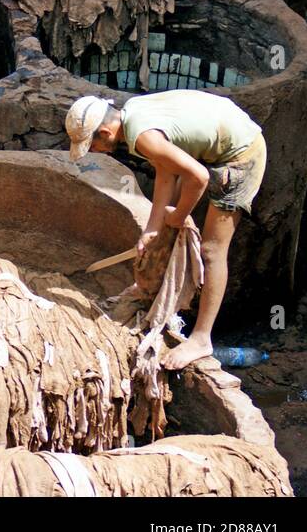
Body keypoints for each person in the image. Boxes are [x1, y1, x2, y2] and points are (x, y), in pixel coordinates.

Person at [66, 89, 266, 370]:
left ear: (105, 132)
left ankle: (201, 338)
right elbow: (166, 172)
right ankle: (159, 288)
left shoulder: (142, 137)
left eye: (92, 145)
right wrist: (152, 227)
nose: (95, 151)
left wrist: (179, 216)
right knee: (168, 225)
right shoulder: (134, 111)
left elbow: (198, 176)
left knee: (211, 252)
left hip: (241, 155)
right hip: (221, 138)